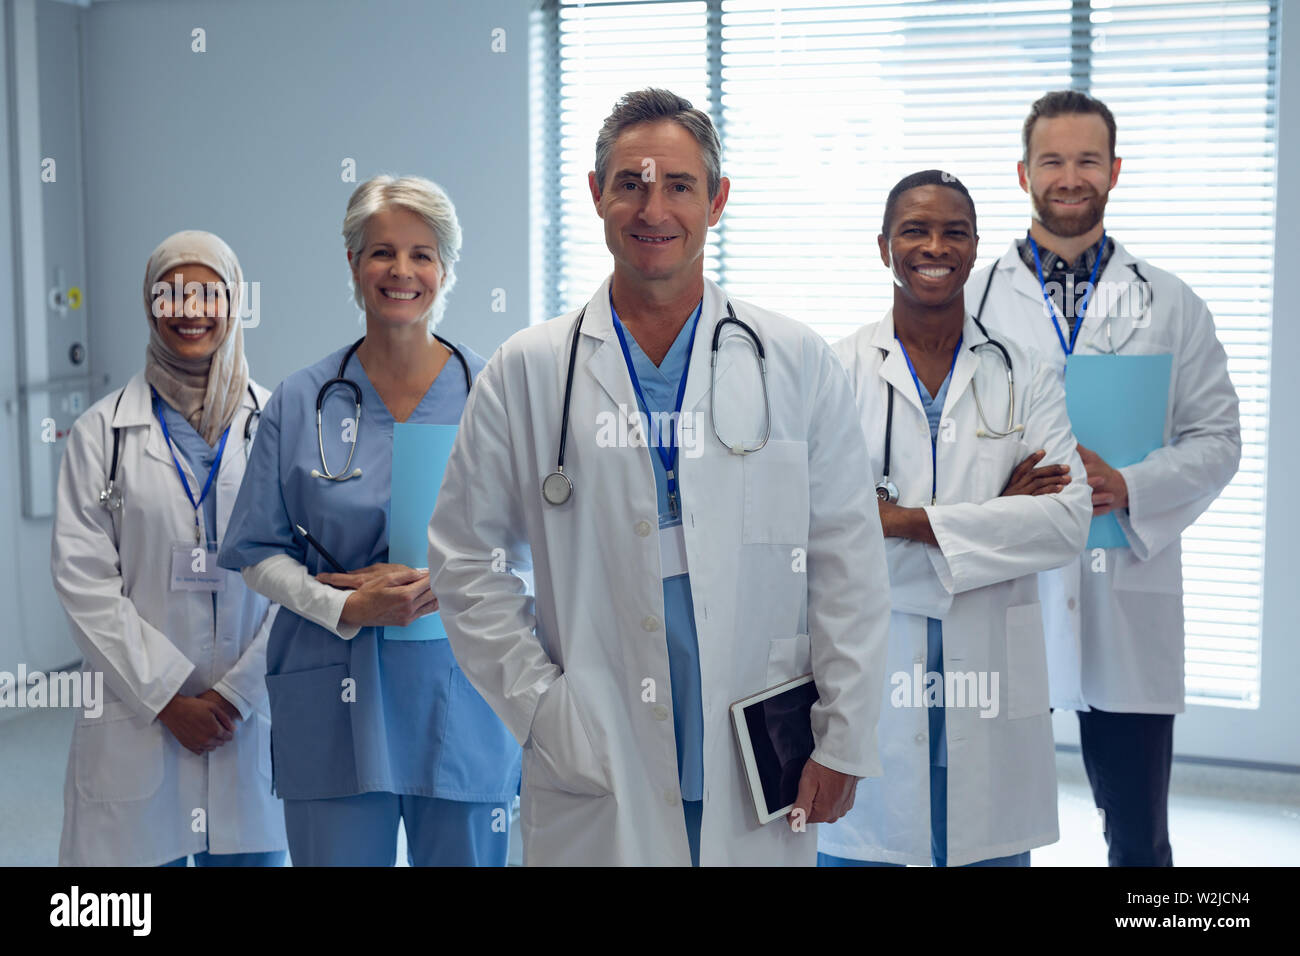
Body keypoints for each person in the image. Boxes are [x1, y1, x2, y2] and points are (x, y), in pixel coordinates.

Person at [427, 88, 891, 866]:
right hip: (595, 736)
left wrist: (845, 733)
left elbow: (845, 555)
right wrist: (543, 707)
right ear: (595, 195)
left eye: (678, 184)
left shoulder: (795, 359)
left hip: (758, 736)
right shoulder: (531, 369)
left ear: (717, 201)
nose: (654, 207)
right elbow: (464, 559)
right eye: (630, 184)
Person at [969, 91, 1242, 866]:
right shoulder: (975, 302)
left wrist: (1128, 484)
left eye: (1088, 159)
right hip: (1011, 578)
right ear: (1023, 172)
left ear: (1115, 170)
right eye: (1052, 159)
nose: (1070, 175)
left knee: (1138, 837)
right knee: (993, 826)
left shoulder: (1172, 303)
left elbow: (1219, 438)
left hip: (1124, 581)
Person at [216, 176, 520, 866]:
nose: (402, 272)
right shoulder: (299, 399)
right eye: (382, 252)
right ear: (353, 263)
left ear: (445, 269)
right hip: (334, 692)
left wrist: (442, 581)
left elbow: (539, 546)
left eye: (422, 253)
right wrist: (346, 603)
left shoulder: (495, 395)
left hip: (464, 690)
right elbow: (258, 551)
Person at [819, 171, 1091, 867]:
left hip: (992, 665)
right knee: (867, 845)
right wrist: (999, 517)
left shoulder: (1025, 371)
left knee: (985, 849)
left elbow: (1064, 525)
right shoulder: (834, 371)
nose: (934, 245)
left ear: (974, 250)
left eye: (954, 232)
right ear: (883, 247)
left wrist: (902, 522)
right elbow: (819, 529)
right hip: (873, 666)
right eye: (914, 229)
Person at [51, 231, 286, 867]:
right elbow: (84, 583)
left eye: (207, 292)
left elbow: (301, 580)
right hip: (139, 722)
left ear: (233, 302)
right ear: (150, 305)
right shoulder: (103, 434)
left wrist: (236, 695)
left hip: (246, 723)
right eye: (171, 293)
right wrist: (166, 698)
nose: (189, 309)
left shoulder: (276, 425)